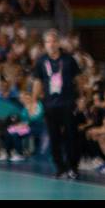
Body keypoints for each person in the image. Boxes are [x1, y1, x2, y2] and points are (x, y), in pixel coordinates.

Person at [34, 29, 81, 178]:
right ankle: (60, 167)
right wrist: (34, 101)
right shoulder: (41, 61)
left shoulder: (69, 59)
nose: (51, 44)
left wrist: (82, 98)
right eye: (48, 42)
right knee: (54, 138)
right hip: (50, 105)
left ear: (58, 43)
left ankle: (72, 167)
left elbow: (78, 80)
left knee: (71, 136)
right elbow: (38, 82)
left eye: (54, 41)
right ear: (45, 44)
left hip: (68, 103)